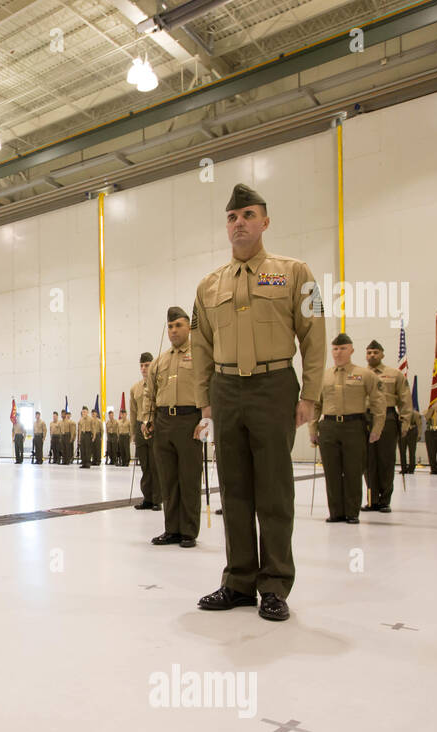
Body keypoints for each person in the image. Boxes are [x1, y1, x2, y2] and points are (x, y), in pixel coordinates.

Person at [190, 183, 326, 622]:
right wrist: (205, 402)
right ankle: (238, 581)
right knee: (233, 488)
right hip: (226, 392)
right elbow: (201, 346)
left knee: (273, 487)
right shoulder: (209, 285)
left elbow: (314, 335)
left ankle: (274, 584)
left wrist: (310, 395)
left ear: (265, 222)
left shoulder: (294, 272)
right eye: (232, 217)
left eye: (248, 215)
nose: (239, 223)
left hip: (273, 386)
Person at [142, 307, 204, 547]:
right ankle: (172, 529)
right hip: (163, 421)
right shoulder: (160, 361)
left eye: (178, 325)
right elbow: (150, 393)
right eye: (170, 326)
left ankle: (188, 531)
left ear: (188, 327)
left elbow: (209, 387)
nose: (174, 330)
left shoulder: (200, 355)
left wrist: (206, 420)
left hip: (190, 420)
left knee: (188, 478)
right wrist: (147, 420)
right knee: (168, 479)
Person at [309, 333, 384, 523]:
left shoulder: (365, 374)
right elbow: (316, 405)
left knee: (353, 470)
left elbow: (378, 402)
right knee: (332, 472)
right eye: (335, 348)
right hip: (329, 427)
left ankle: (352, 512)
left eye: (343, 348)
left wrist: (377, 428)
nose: (338, 352)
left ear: (351, 350)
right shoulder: (323, 376)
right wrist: (313, 429)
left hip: (354, 426)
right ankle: (336, 512)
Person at [360, 340, 412, 512]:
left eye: (375, 352)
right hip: (365, 418)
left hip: (388, 417)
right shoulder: (359, 374)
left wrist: (405, 422)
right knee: (368, 462)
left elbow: (405, 400)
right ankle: (371, 499)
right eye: (369, 352)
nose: (372, 355)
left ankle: (384, 500)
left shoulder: (395, 374)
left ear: (382, 354)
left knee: (386, 460)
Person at [130, 353, 159, 509]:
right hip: (141, 427)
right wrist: (134, 433)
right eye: (141, 365)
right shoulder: (135, 388)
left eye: (147, 365)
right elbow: (133, 412)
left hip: (154, 426)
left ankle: (157, 499)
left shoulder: (158, 384)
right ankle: (147, 498)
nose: (144, 368)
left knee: (156, 464)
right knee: (145, 465)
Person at [399, 407, 422, 474]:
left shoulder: (415, 414)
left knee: (412, 452)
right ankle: (403, 468)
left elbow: (419, 424)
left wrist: (419, 434)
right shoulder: (401, 413)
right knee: (402, 452)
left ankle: (411, 468)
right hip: (402, 433)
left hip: (412, 432)